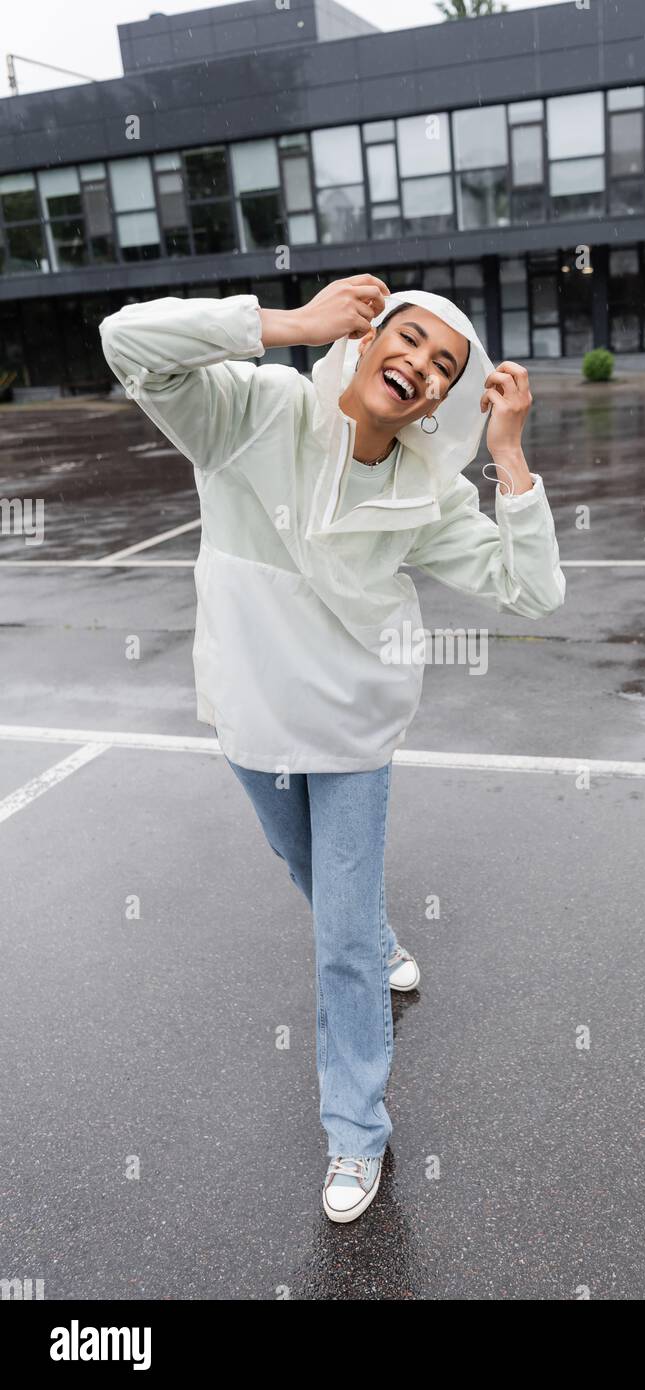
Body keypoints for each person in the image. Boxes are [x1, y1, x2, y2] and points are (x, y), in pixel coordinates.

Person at [99, 274, 566, 1223]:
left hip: (352, 726)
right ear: (363, 338)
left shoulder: (427, 494)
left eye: (444, 366)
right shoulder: (254, 410)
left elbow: (532, 591)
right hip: (251, 711)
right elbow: (124, 340)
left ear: (442, 401)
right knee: (300, 861)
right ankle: (378, 932)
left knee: (340, 942)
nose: (420, 367)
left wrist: (508, 457)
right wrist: (283, 325)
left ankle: (355, 1132)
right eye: (408, 340)